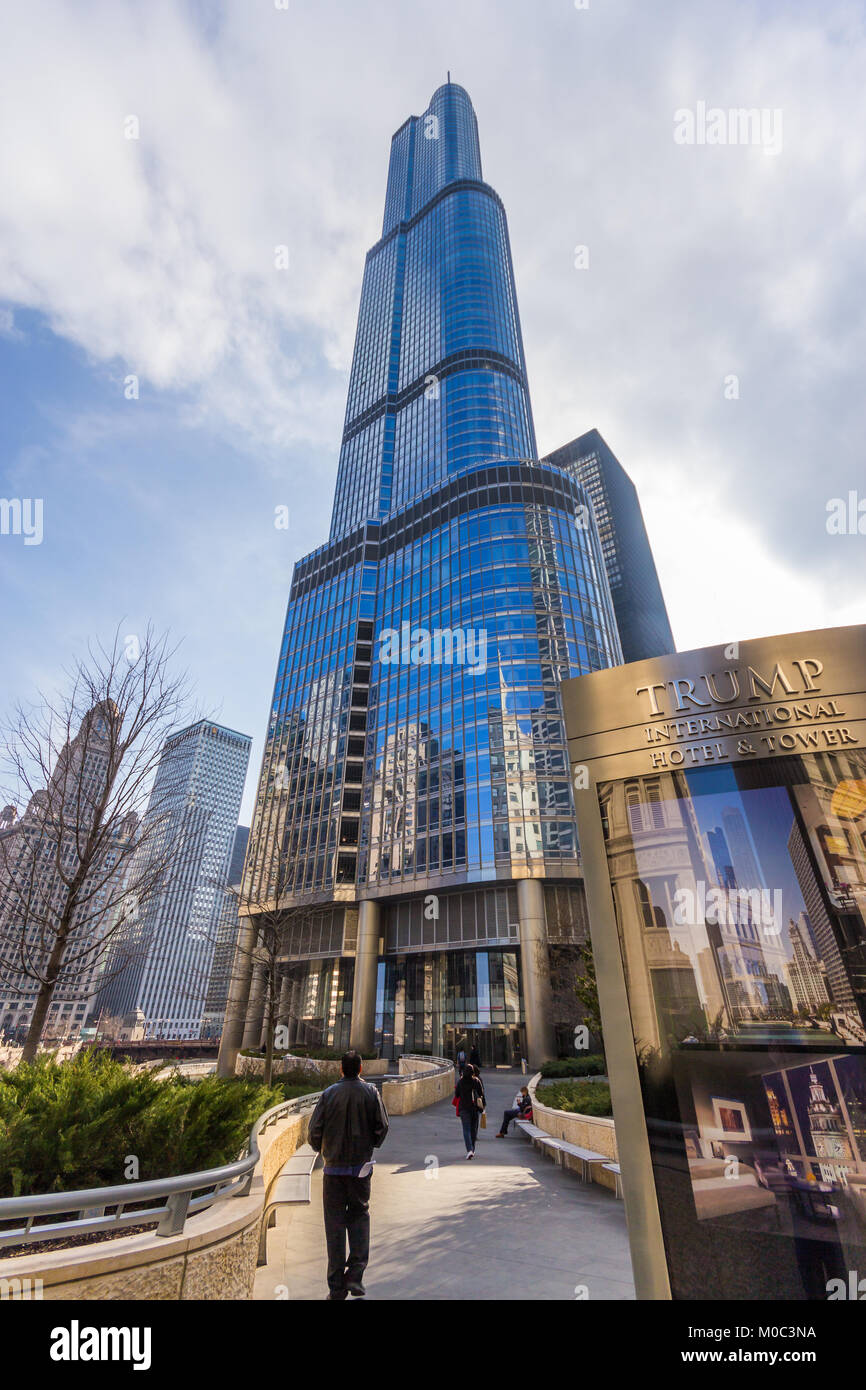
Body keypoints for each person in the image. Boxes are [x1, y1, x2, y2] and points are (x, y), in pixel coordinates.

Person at [308, 1049, 389, 1300]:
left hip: (333, 1169)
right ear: (361, 1069)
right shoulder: (371, 1092)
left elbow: (314, 1132)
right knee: (359, 1217)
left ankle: (336, 1286)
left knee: (334, 1225)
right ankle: (355, 1275)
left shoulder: (329, 1094)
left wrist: (322, 1149)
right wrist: (369, 1145)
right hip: (360, 1169)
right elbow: (382, 1127)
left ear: (341, 1069)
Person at [454, 1062, 485, 1158]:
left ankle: (469, 1150)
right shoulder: (476, 1081)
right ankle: (473, 1149)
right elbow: (481, 1093)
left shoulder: (460, 1082)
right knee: (473, 1130)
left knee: (466, 1129)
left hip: (464, 1108)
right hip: (474, 1108)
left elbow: (457, 1094)